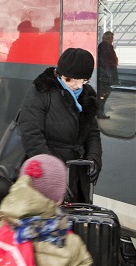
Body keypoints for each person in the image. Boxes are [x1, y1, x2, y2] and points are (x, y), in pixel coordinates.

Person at [18, 48, 102, 203]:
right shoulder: (41, 92)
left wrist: (94, 158)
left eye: (83, 80)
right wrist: (54, 176)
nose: (78, 85)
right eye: (72, 80)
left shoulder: (87, 95)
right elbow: (32, 136)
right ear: (60, 74)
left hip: (78, 173)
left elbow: (93, 133)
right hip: (47, 174)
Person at [96, 31, 118, 118]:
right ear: (108, 38)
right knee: (104, 93)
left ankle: (100, 111)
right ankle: (100, 112)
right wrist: (107, 75)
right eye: (112, 38)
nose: (113, 39)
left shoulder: (106, 46)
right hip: (105, 74)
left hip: (106, 73)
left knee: (104, 92)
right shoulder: (104, 46)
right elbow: (105, 61)